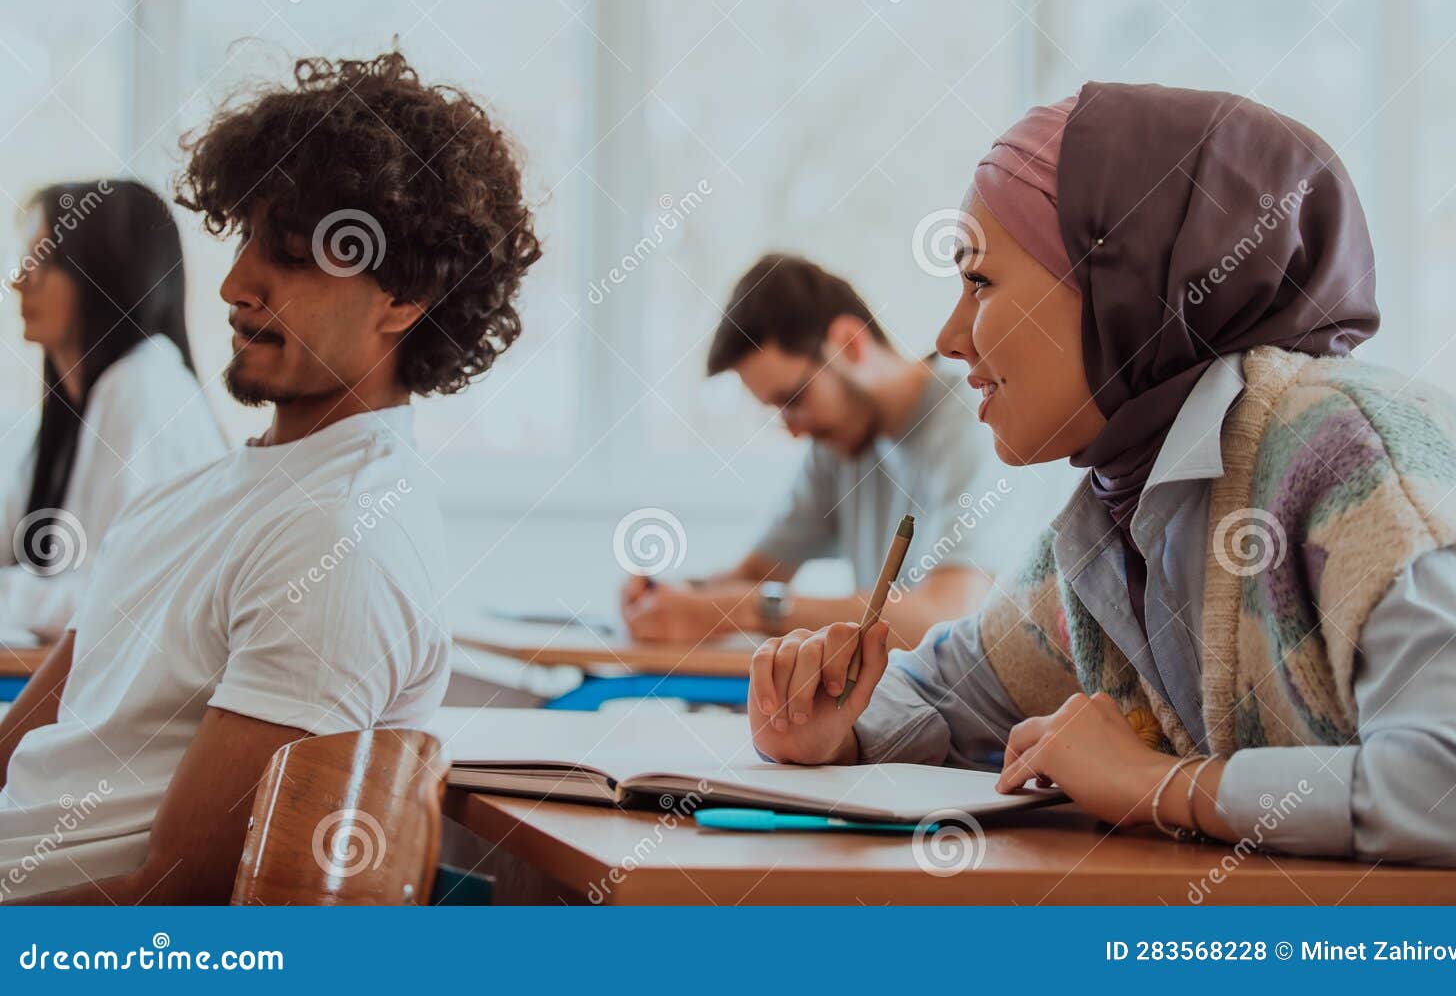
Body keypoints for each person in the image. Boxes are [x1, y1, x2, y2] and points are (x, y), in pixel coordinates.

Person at [746, 82, 1456, 904]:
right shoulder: (1126, 508)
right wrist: (834, 725)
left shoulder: (1350, 464)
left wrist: (1164, 787)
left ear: (1119, 283)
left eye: (980, 282)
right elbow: (947, 695)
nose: (947, 336)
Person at [0, 52, 541, 904]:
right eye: (246, 238)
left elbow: (175, 897)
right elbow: (21, 750)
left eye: (289, 255)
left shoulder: (341, 537)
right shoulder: (192, 497)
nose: (233, 284)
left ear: (402, 298)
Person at [621, 253, 997, 649]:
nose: (795, 430)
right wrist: (665, 598)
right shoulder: (841, 443)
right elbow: (754, 576)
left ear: (850, 345)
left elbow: (944, 618)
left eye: (794, 399)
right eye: (777, 411)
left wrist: (747, 609)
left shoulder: (973, 416)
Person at [1, 180, 226, 640]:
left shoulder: (141, 387)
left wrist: (8, 594)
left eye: (44, 260)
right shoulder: (78, 407)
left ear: (102, 274)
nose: (19, 280)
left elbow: (113, 598)